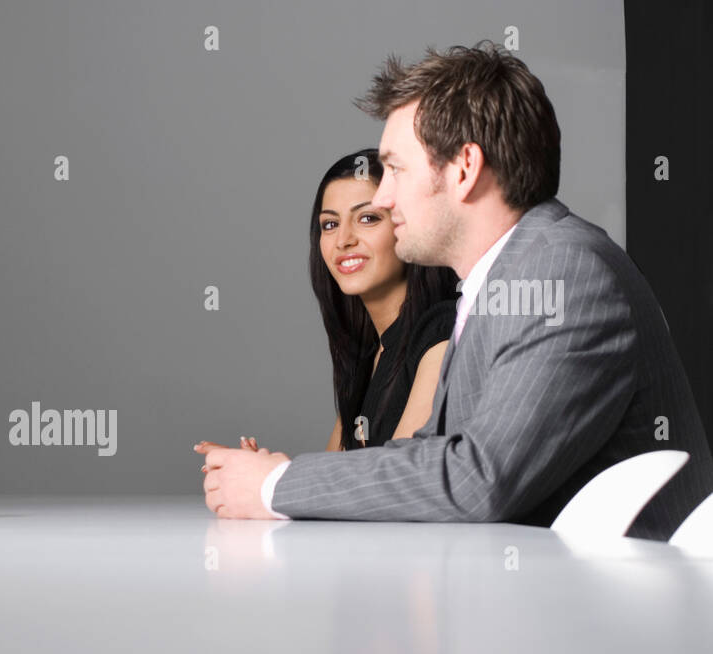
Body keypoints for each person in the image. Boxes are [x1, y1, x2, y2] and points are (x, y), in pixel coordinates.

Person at [198, 43, 713, 540]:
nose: (382, 194)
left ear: (464, 168)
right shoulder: (499, 281)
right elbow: (432, 454)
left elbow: (478, 478)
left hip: (623, 616)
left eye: (395, 168)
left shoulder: (560, 271)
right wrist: (285, 477)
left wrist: (274, 486)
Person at [197, 149, 456, 461]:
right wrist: (257, 471)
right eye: (330, 224)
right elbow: (338, 484)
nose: (343, 239)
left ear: (406, 226)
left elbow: (396, 478)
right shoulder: (367, 356)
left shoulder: (443, 332)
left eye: (368, 218)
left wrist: (274, 479)